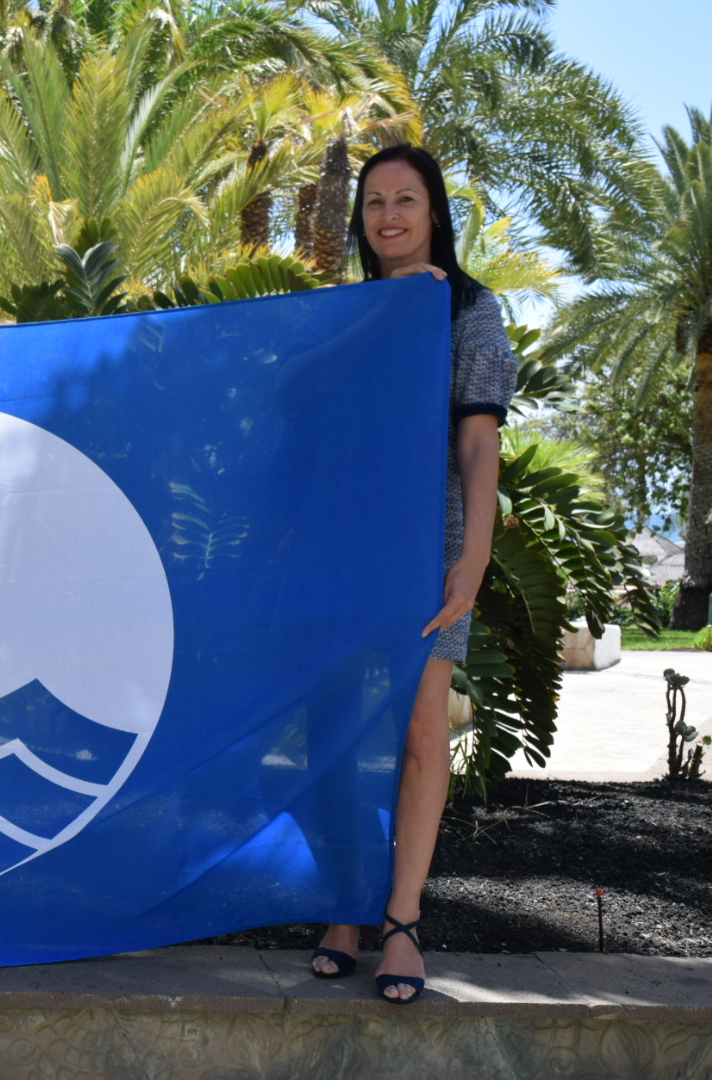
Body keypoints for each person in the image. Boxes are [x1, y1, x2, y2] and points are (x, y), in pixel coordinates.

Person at [308, 144, 515, 1003]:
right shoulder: (349, 314)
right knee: (341, 735)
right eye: (375, 203)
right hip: (344, 543)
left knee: (424, 732)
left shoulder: (469, 310)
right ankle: (344, 910)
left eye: (407, 200)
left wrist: (472, 559)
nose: (388, 217)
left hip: (429, 549)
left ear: (434, 214)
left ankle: (400, 921)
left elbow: (477, 440)